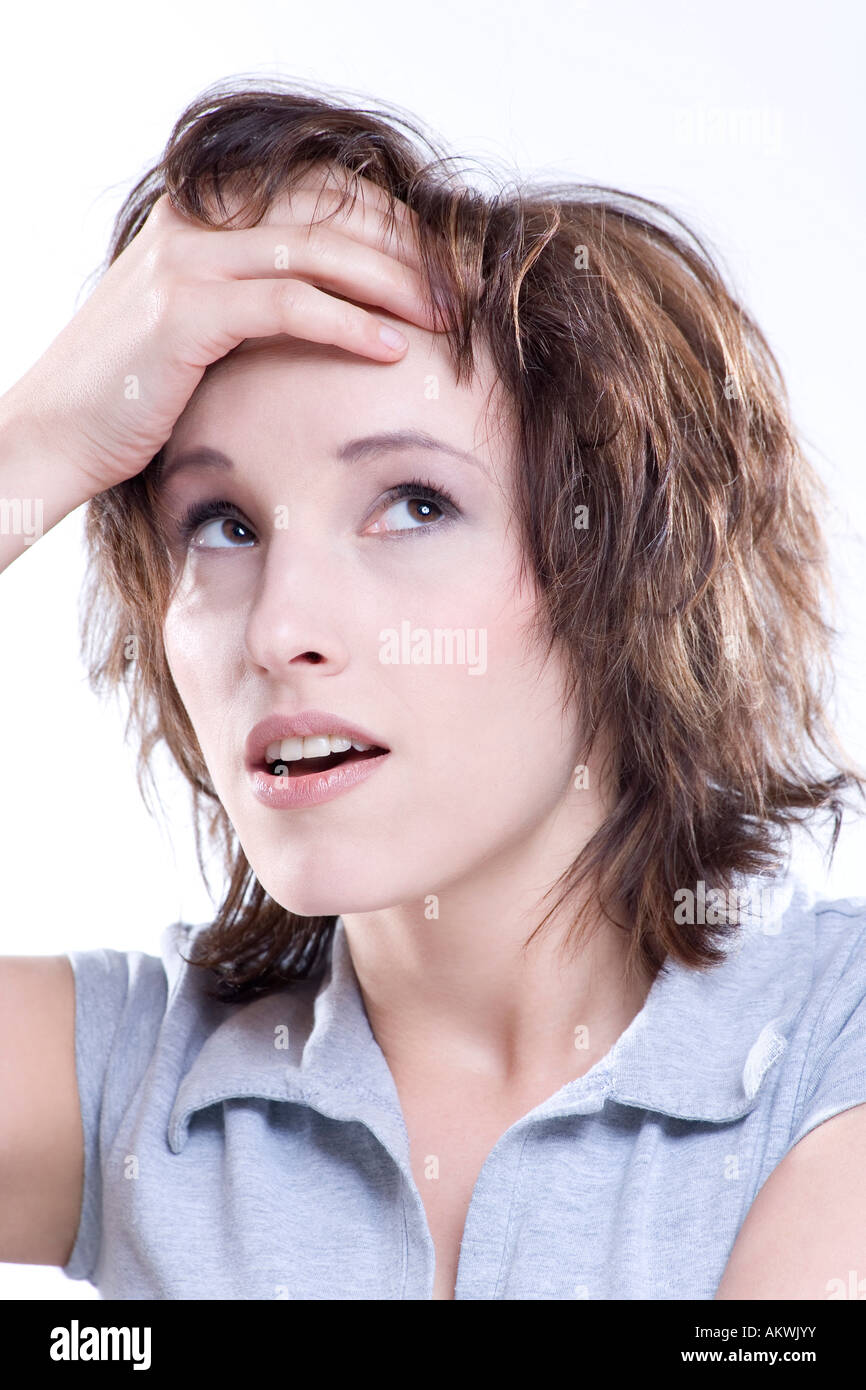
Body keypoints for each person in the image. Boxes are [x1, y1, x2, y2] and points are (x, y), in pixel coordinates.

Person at [2, 76, 866, 1302]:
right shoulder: (130, 1083)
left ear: (630, 574)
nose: (283, 628)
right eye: (222, 521)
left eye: (414, 503)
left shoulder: (826, 1048)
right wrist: (32, 443)